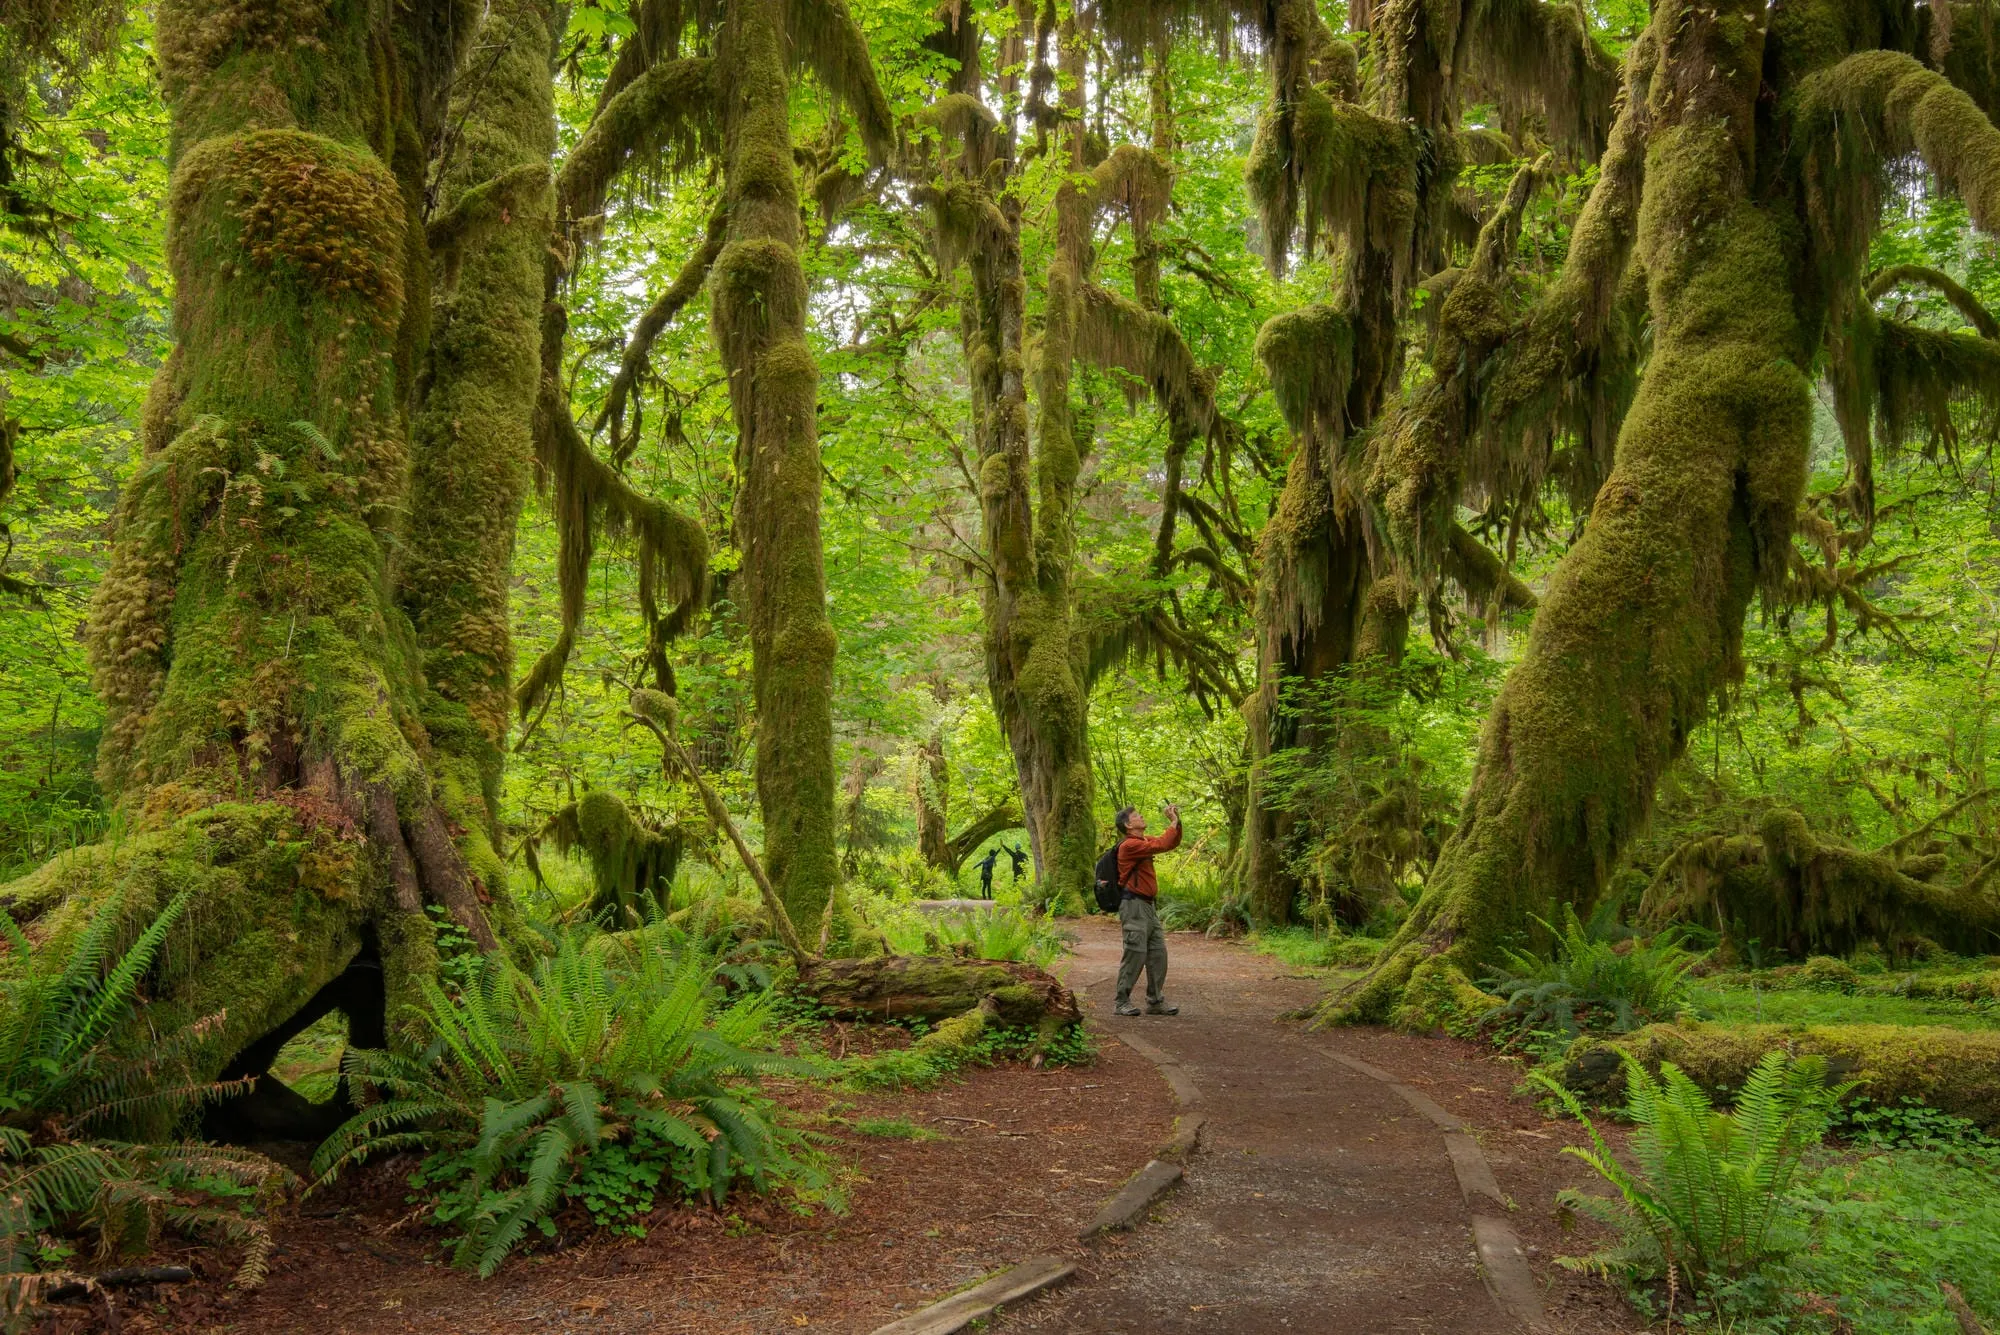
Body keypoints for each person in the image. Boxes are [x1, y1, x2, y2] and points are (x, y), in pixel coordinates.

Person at [1113, 803, 1182, 1017]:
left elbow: (1169, 843)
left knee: (1158, 953)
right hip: (1133, 906)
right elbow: (1161, 844)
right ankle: (1121, 1002)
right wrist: (1172, 822)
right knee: (1135, 953)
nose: (1141, 816)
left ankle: (1155, 1001)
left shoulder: (1143, 840)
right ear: (1127, 824)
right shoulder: (1129, 846)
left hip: (1148, 906)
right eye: (1137, 815)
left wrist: (1177, 822)